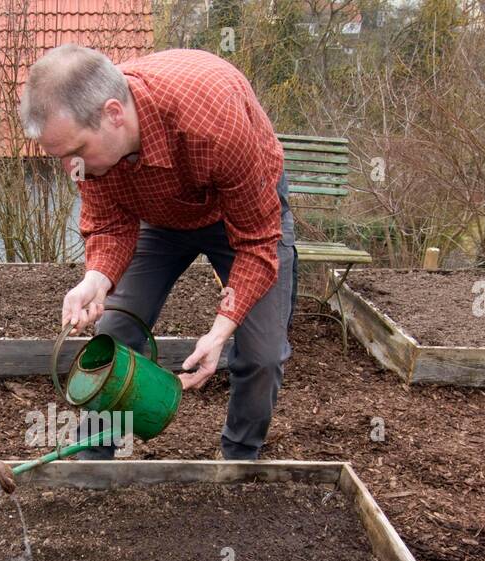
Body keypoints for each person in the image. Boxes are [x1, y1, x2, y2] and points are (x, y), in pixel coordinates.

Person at [19, 44, 297, 460]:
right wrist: (96, 278)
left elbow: (257, 242)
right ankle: (94, 458)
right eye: (60, 157)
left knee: (262, 354)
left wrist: (221, 330)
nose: (70, 169)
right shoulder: (87, 153)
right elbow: (110, 225)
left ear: (114, 114)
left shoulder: (212, 123)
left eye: (75, 152)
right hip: (159, 219)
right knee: (114, 331)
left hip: (240, 216)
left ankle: (239, 459)